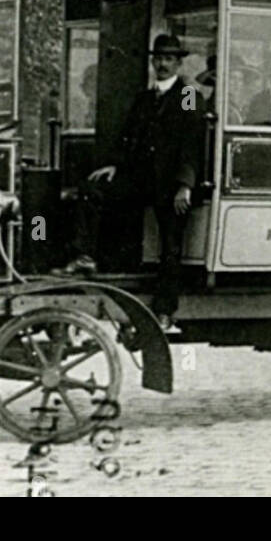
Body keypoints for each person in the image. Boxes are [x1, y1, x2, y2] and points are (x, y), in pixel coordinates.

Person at [58, 33, 206, 325]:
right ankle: (86, 258)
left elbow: (192, 142)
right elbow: (128, 139)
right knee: (93, 189)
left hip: (171, 185)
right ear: (152, 62)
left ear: (178, 64)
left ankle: (165, 310)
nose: (162, 64)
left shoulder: (188, 95)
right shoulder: (144, 98)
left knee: (171, 244)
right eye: (158, 59)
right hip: (141, 180)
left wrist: (185, 185)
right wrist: (115, 165)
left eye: (168, 59)